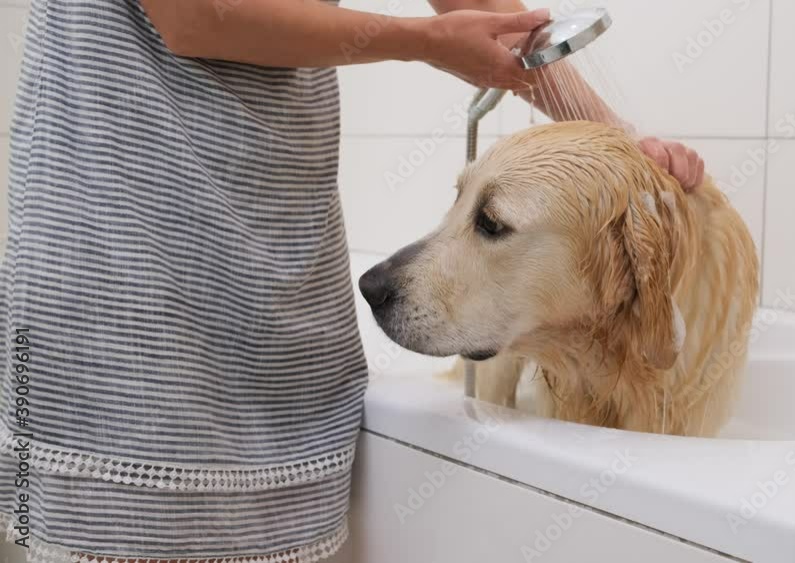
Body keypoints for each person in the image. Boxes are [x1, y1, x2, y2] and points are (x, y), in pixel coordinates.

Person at [0, 0, 704, 561]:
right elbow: (195, 13)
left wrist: (622, 147)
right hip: (130, 224)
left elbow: (492, 16)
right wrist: (425, 40)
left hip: (271, 220)